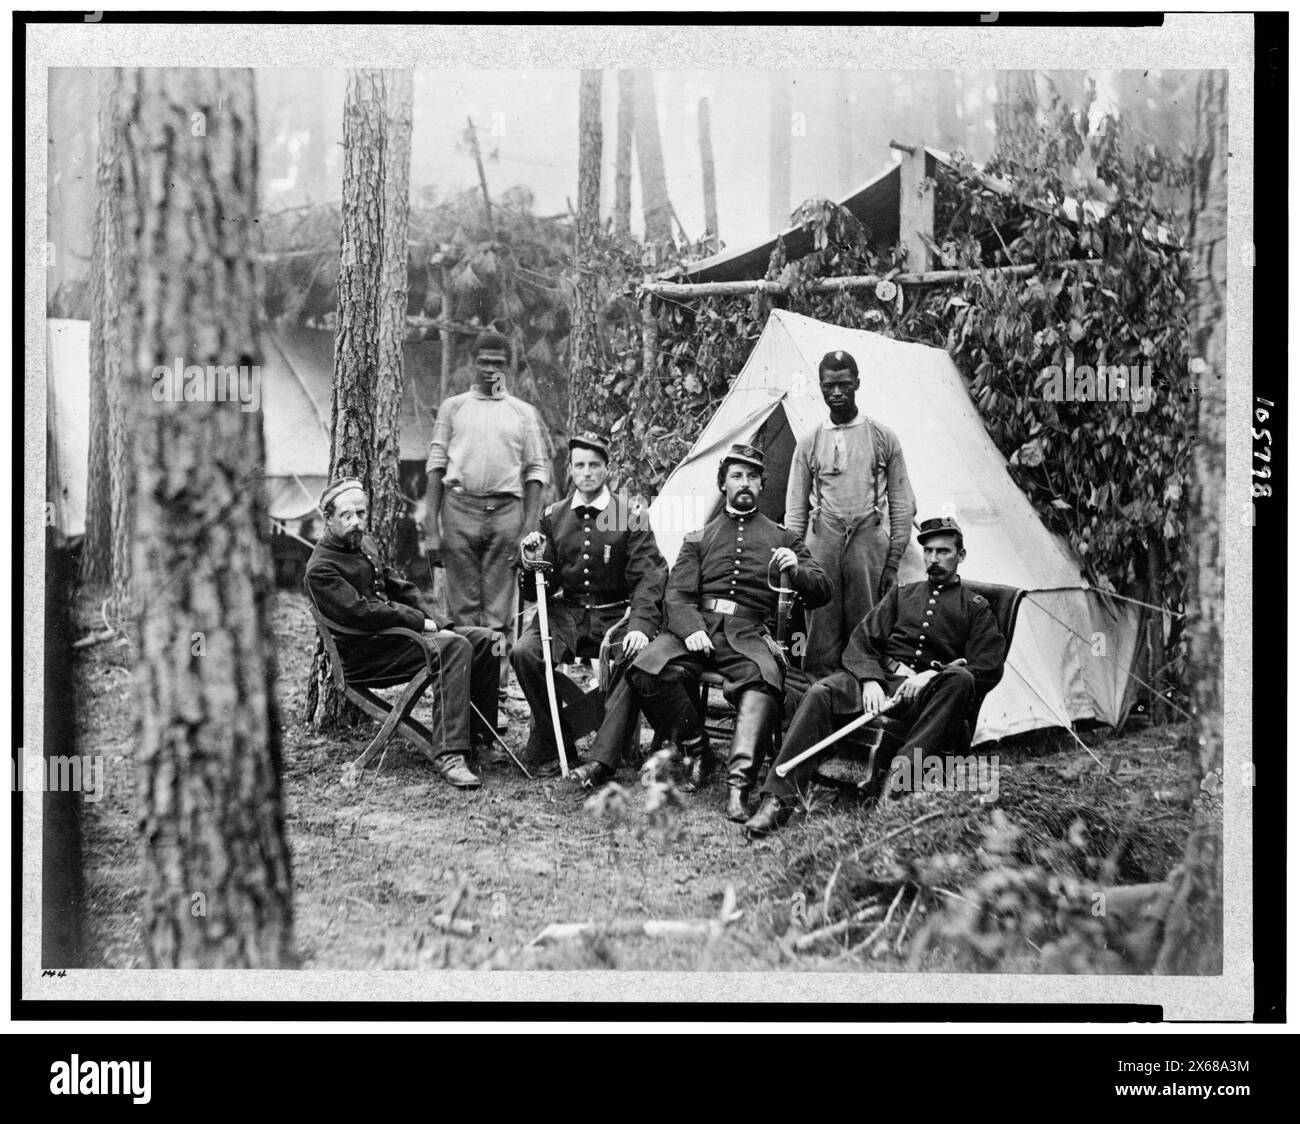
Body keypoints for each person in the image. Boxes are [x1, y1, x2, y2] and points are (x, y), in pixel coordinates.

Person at [744, 516, 1006, 835]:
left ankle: (896, 790)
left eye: (944, 552)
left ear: (960, 556)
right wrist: (870, 680)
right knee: (822, 691)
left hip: (929, 699)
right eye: (929, 552)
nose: (934, 559)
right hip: (883, 684)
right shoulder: (902, 595)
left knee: (960, 680)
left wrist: (933, 676)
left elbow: (988, 665)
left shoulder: (975, 607)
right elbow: (861, 640)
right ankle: (778, 799)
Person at [627, 444, 832, 822]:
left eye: (753, 477)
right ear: (723, 483)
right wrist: (690, 629)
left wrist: (798, 570)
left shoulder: (783, 538)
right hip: (699, 629)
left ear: (761, 485)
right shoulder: (698, 538)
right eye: (737, 476)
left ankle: (738, 787)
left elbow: (823, 589)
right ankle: (697, 749)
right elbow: (678, 594)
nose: (745, 483)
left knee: (763, 681)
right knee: (646, 668)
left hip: (749, 634)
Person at [306, 478, 500, 790]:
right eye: (346, 516)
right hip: (367, 656)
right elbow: (363, 613)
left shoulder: (364, 543)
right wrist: (418, 623)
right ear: (327, 519)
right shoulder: (321, 568)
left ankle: (480, 739)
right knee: (453, 648)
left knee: (490, 642)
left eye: (361, 512)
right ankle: (450, 753)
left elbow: (399, 587)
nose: (356, 522)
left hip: (392, 640)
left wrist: (439, 622)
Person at [512, 431, 668, 781]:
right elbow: (541, 585)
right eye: (579, 465)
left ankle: (601, 761)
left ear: (607, 470)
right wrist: (530, 558)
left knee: (632, 659)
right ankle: (559, 744)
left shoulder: (630, 515)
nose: (587, 472)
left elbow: (650, 578)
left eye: (594, 465)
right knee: (524, 653)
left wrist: (641, 627)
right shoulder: (553, 516)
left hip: (614, 616)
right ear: (570, 470)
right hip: (565, 615)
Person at [784, 349, 916, 679]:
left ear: (857, 383)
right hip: (823, 543)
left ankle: (864, 700)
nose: (837, 393)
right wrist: (801, 562)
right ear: (821, 386)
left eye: (844, 384)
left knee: (867, 625)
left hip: (868, 541)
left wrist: (893, 560)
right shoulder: (809, 441)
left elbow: (902, 505)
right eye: (830, 386)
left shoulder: (883, 437)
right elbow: (796, 509)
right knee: (821, 628)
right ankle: (822, 698)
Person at [423, 329, 549, 637]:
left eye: (498, 363)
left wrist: (528, 528)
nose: (491, 369)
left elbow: (535, 472)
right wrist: (430, 530)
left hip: (506, 515)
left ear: (507, 366)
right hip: (459, 511)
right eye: (484, 362)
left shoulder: (523, 413)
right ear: (472, 363)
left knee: (499, 612)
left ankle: (497, 683)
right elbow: (436, 465)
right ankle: (464, 679)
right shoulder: (453, 408)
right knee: (461, 610)